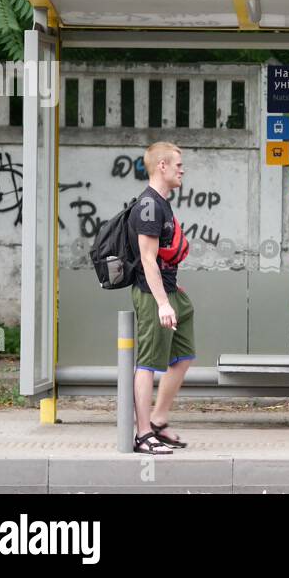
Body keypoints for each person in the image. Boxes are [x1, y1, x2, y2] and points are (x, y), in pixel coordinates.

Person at [128, 141, 195, 455]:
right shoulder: (149, 205)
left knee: (183, 358)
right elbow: (147, 258)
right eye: (178, 165)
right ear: (162, 167)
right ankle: (142, 435)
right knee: (147, 363)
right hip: (153, 296)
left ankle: (157, 419)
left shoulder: (163, 203)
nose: (182, 170)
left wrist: (173, 293)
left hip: (171, 292)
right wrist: (162, 303)